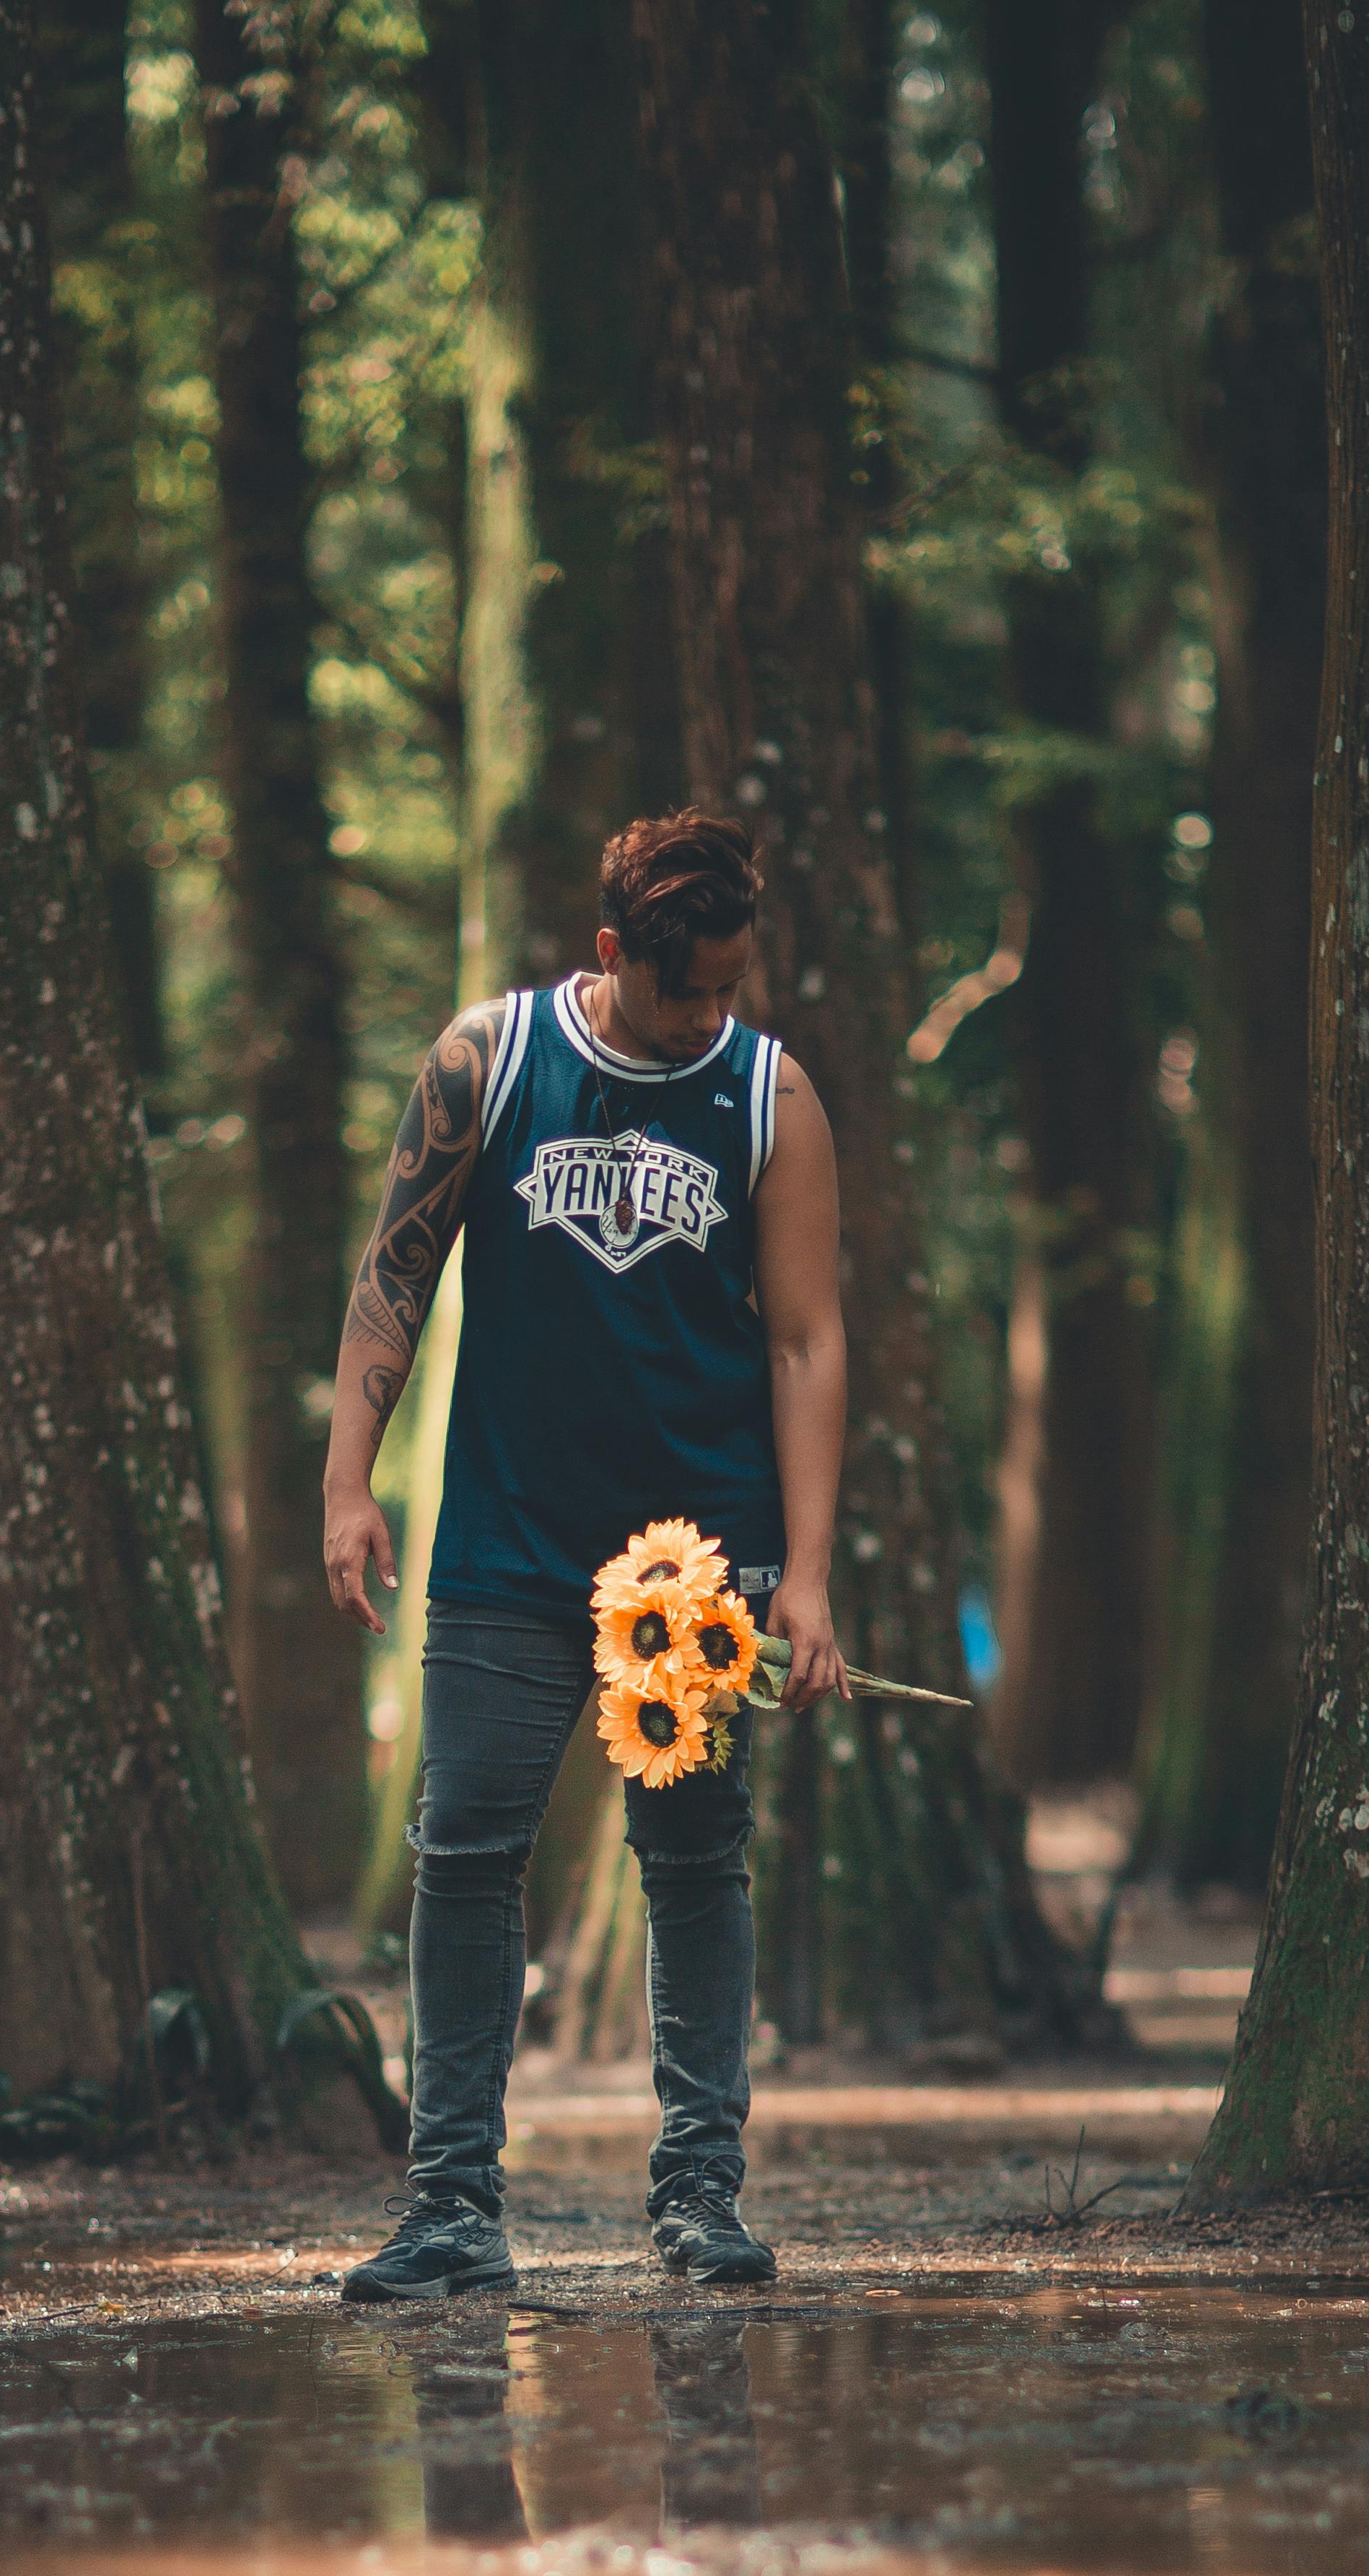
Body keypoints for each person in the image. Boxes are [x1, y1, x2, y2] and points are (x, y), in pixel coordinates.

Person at [322, 808, 850, 2304]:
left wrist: (801, 1575)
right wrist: (347, 1483)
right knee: (466, 1852)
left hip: (698, 1554)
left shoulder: (770, 1094)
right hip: (505, 1537)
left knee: (693, 1860)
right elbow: (395, 1273)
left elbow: (809, 1341)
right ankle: (449, 2212)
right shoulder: (488, 1064)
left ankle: (698, 2194)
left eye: (736, 981)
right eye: (690, 987)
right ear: (613, 953)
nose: (715, 1012)